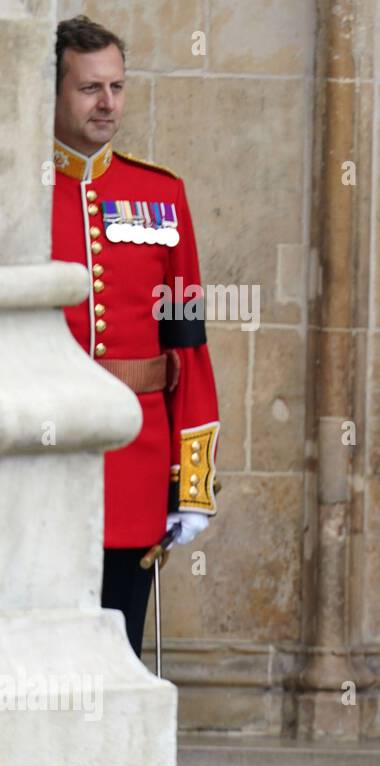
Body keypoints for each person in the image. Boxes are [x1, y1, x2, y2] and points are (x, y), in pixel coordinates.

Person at [50, 16, 220, 658]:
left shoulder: (160, 196)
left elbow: (188, 343)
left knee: (115, 654)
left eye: (117, 87)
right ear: (55, 92)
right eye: (91, 88)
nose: (108, 103)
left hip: (136, 466)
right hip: (41, 469)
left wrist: (192, 480)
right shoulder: (18, 197)